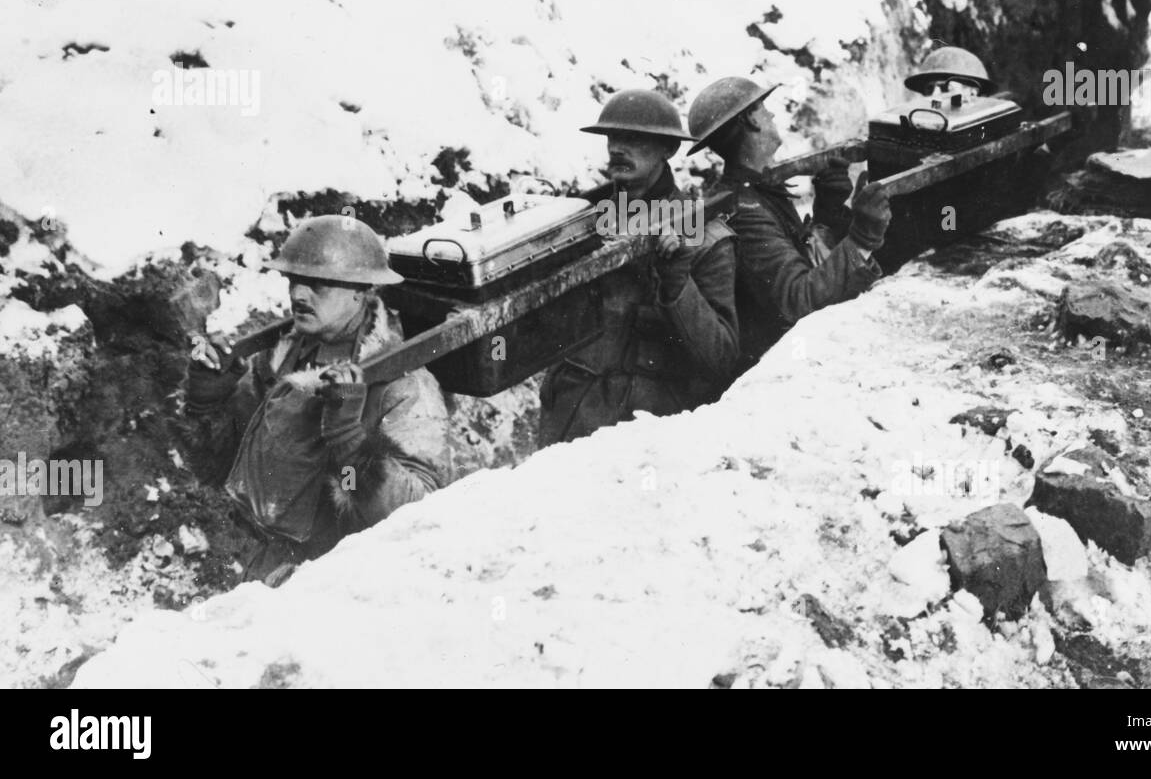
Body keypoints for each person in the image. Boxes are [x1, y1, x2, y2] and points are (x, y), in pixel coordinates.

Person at [183, 215, 474, 586]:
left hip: (344, 580)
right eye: (294, 280)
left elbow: (418, 514)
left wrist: (350, 441)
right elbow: (229, 462)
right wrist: (208, 399)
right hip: (266, 562)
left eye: (318, 284)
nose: (298, 295)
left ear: (360, 290)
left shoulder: (405, 384)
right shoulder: (282, 357)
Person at [538, 89, 740, 446]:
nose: (617, 147)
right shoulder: (579, 222)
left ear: (668, 149)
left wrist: (677, 282)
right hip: (572, 417)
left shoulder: (703, 235)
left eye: (633, 139)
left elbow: (721, 358)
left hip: (649, 430)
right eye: (613, 137)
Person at [687, 77, 890, 374]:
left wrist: (828, 211)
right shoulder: (744, 209)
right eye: (762, 108)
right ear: (751, 121)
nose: (770, 115)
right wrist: (861, 240)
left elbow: (799, 262)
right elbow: (798, 297)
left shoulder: (753, 190)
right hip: (777, 364)